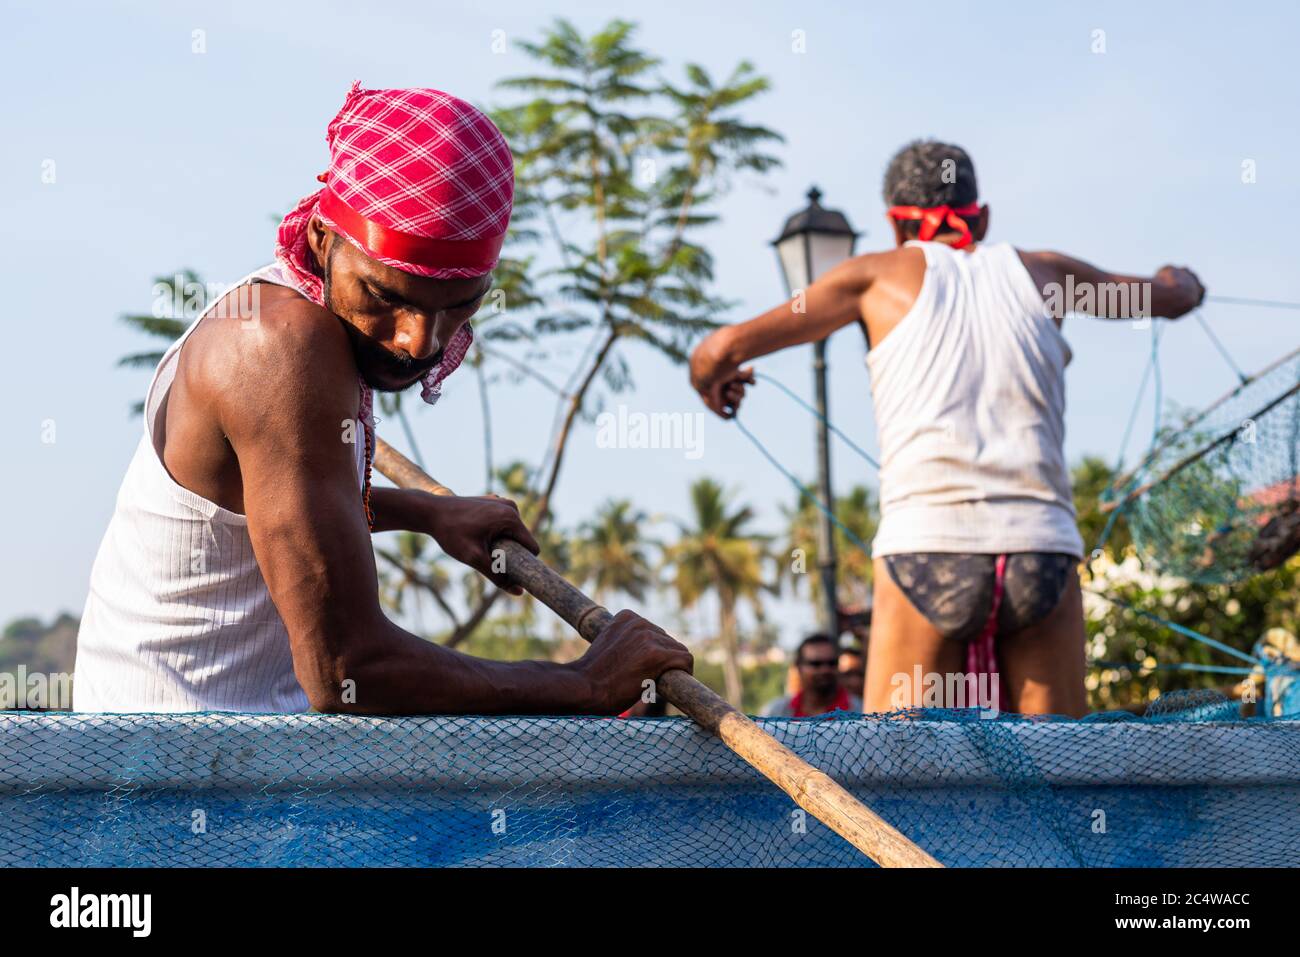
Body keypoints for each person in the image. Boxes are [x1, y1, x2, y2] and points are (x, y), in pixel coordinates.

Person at [74, 84, 691, 714]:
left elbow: (284, 506)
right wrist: (585, 685)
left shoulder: (293, 325)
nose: (420, 340)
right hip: (165, 784)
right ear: (320, 240)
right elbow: (348, 671)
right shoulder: (276, 347)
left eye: (459, 305)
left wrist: (428, 514)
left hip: (229, 765)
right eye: (387, 297)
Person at [691, 140, 1204, 717]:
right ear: (980, 217)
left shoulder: (872, 277)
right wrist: (1178, 280)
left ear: (894, 225)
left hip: (928, 545)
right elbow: (1170, 298)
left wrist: (714, 380)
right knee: (1058, 778)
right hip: (1041, 547)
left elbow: (719, 349)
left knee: (896, 780)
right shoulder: (1049, 275)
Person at [762, 634, 862, 716]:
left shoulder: (860, 711)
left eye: (831, 663)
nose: (825, 670)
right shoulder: (776, 712)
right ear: (799, 667)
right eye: (816, 664)